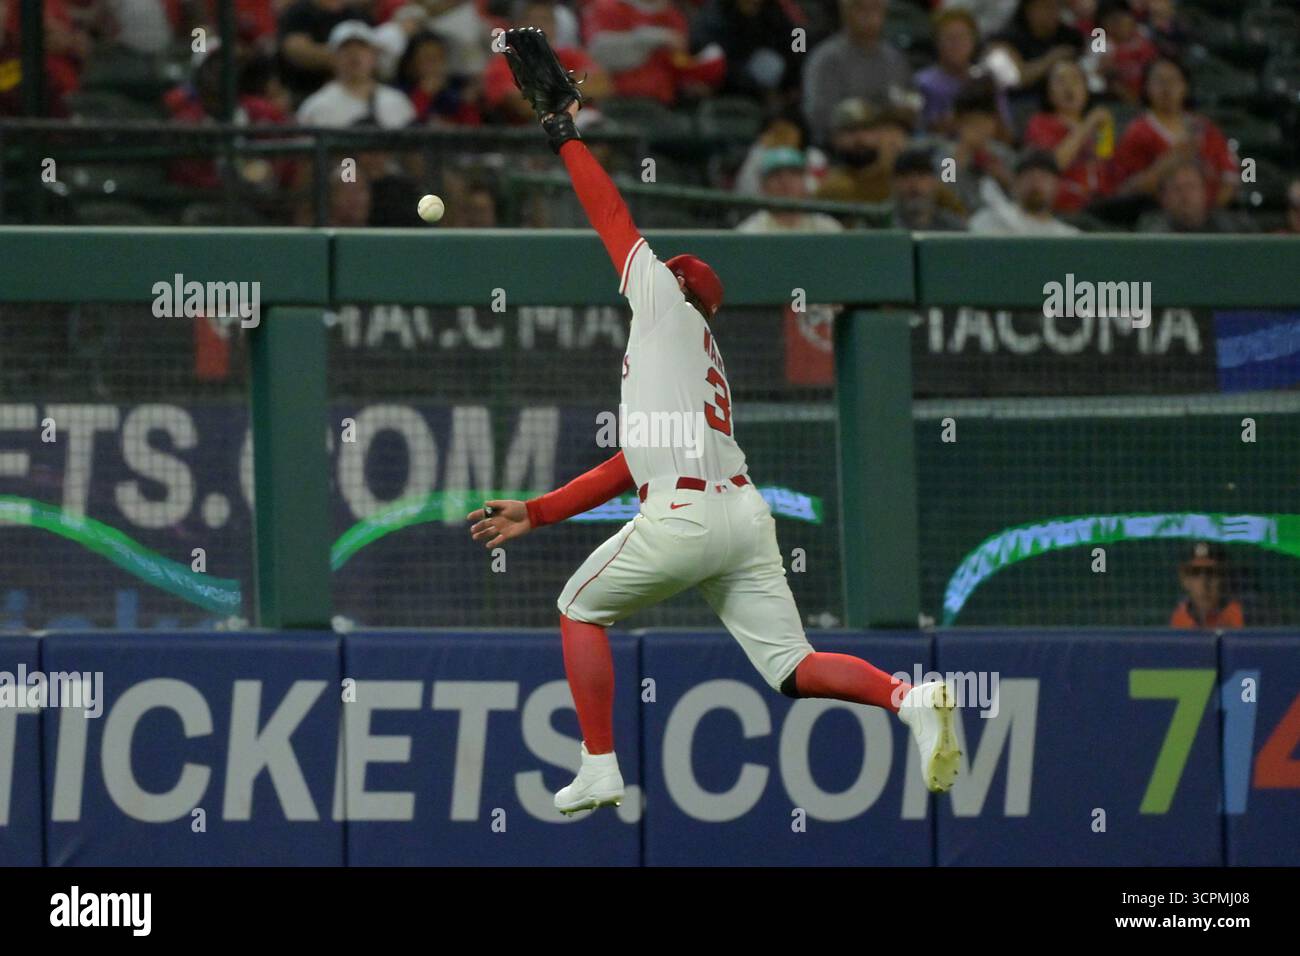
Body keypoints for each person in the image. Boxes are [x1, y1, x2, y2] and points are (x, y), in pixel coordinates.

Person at [468, 27, 961, 814]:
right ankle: (909, 700)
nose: (653, 267)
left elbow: (611, 215)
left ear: (677, 283)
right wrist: (538, 510)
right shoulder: (691, 361)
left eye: (666, 267)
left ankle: (600, 764)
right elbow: (631, 465)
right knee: (795, 669)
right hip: (741, 515)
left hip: (688, 517)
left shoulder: (663, 304)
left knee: (575, 607)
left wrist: (563, 131)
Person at [1112, 56, 1238, 208]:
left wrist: (1207, 212)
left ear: (1184, 86)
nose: (1167, 88)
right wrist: (1165, 166)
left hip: (1207, 216)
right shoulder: (1136, 132)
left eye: (1173, 80)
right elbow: (1124, 190)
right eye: (1159, 81)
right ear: (1147, 87)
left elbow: (1229, 178)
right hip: (1155, 216)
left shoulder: (1205, 128)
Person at [802, 0, 913, 147]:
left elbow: (907, 105)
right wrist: (867, 131)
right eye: (861, 8)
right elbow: (820, 117)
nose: (869, 15)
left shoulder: (895, 59)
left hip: (889, 144)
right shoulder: (826, 58)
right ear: (846, 12)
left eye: (875, 8)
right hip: (840, 146)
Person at [1023, 58, 1115, 212]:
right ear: (1049, 92)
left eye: (1075, 80)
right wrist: (1087, 125)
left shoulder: (1098, 125)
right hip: (1063, 206)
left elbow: (1106, 164)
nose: (1069, 86)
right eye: (1060, 81)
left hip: (1101, 204)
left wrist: (1103, 133)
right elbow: (1053, 165)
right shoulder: (1040, 123)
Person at [297, 21, 416, 128]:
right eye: (346, 48)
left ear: (374, 56)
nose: (354, 53)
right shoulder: (316, 107)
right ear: (333, 57)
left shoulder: (398, 102)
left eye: (362, 47)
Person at [968, 148, 1080, 234]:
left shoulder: (1068, 236)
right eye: (1028, 176)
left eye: (1043, 177)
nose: (1035, 183)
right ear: (1015, 184)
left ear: (1057, 186)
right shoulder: (991, 220)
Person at [736, 148, 843, 233]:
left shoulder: (828, 229)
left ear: (804, 182)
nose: (785, 181)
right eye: (776, 175)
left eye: (793, 174)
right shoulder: (748, 232)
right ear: (763, 185)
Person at [1136, 158, 1250, 233]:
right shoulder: (1151, 234)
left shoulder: (1230, 229)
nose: (1185, 195)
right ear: (1164, 197)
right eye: (1177, 189)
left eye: (1191, 187)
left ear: (1204, 192)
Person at [1169, 541, 1244, 629]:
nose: (1204, 583)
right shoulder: (1179, 618)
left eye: (1211, 573)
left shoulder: (1238, 615)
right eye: (1195, 573)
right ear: (1184, 580)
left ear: (1224, 577)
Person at [891, 148, 967, 229]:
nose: (913, 184)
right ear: (894, 183)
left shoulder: (954, 228)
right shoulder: (882, 226)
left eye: (922, 175)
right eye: (905, 176)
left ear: (934, 182)